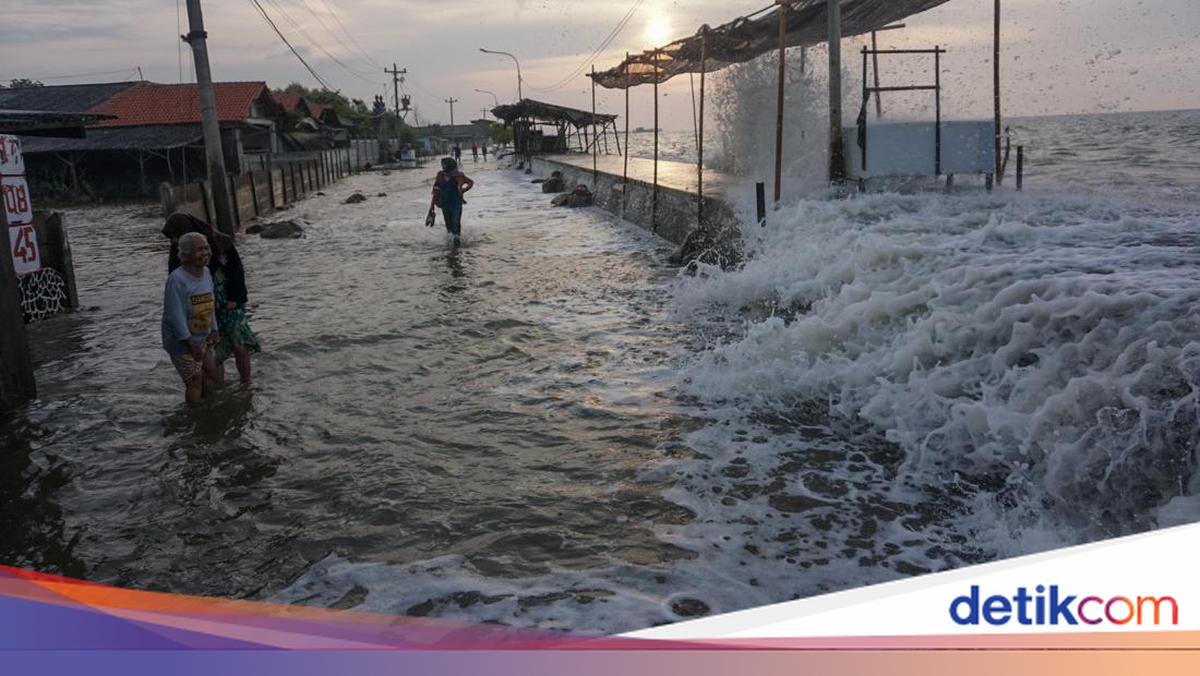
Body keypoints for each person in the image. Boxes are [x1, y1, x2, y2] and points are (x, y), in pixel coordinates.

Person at [162, 213, 261, 386]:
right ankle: (219, 389)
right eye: (173, 237)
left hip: (229, 301)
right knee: (212, 350)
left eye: (177, 235)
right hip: (203, 307)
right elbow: (175, 284)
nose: (175, 240)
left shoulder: (218, 241)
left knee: (239, 343)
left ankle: (246, 384)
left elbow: (237, 270)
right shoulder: (179, 248)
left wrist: (235, 298)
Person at [162, 232, 220, 405]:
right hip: (181, 342)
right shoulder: (177, 279)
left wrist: (215, 329)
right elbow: (174, 315)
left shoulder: (207, 273)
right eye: (199, 250)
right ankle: (195, 417)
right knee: (195, 380)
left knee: (211, 372)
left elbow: (210, 304)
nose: (205, 253)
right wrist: (189, 342)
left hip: (203, 336)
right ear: (185, 255)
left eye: (206, 248)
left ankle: (210, 410)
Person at [429, 157, 474, 243]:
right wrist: (431, 207)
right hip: (444, 204)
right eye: (442, 164)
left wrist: (464, 190)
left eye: (444, 164)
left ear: (450, 165)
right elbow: (435, 191)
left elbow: (470, 182)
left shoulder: (459, 176)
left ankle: (457, 243)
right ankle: (450, 246)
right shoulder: (440, 175)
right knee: (448, 226)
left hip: (456, 204)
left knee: (456, 223)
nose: (442, 166)